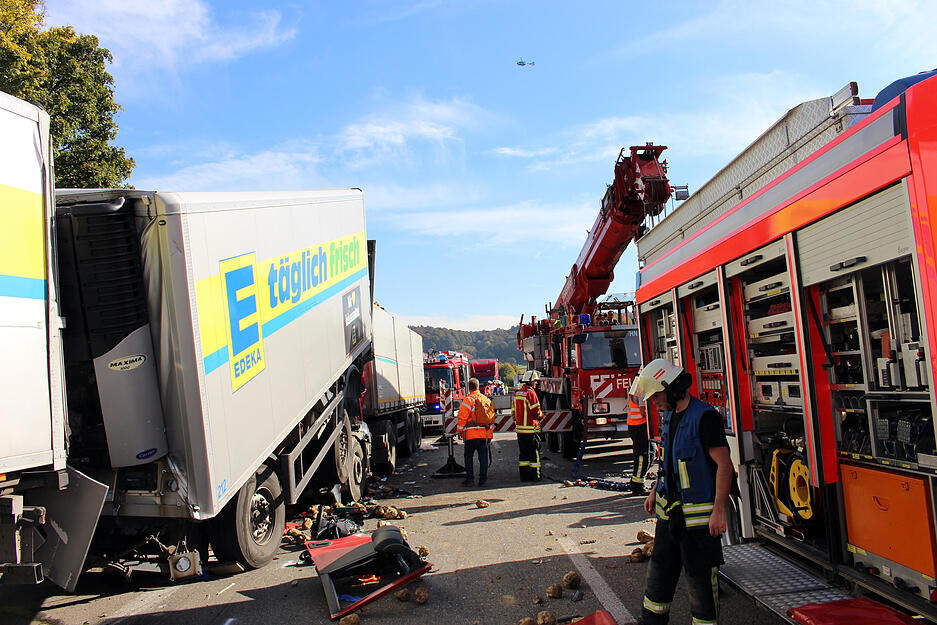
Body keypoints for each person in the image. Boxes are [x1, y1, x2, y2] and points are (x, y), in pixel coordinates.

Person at [629, 358, 733, 625]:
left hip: (698, 526)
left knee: (700, 589)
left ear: (673, 389)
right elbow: (670, 463)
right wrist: (655, 491)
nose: (654, 402)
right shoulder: (670, 416)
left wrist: (719, 511)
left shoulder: (704, 417)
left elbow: (725, 466)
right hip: (670, 520)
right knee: (658, 580)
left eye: (657, 396)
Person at [456, 377, 494, 486]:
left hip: (471, 435)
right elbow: (491, 416)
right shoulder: (486, 399)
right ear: (478, 387)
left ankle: (470, 479)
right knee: (483, 458)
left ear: (469, 388)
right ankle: (483, 480)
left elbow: (462, 417)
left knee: (468, 456)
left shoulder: (468, 400)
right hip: (484, 435)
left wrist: (460, 431)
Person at [512, 370, 543, 481]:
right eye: (535, 381)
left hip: (520, 431)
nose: (536, 383)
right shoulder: (531, 393)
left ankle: (524, 476)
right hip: (531, 430)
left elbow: (513, 412)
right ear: (529, 381)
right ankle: (536, 476)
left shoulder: (518, 393)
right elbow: (536, 410)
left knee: (523, 454)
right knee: (534, 454)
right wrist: (541, 415)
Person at [627, 392, 649, 495]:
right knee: (642, 457)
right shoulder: (641, 389)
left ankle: (636, 482)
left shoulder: (637, 387)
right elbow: (643, 411)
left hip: (636, 425)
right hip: (639, 425)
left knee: (646, 455)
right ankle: (637, 486)